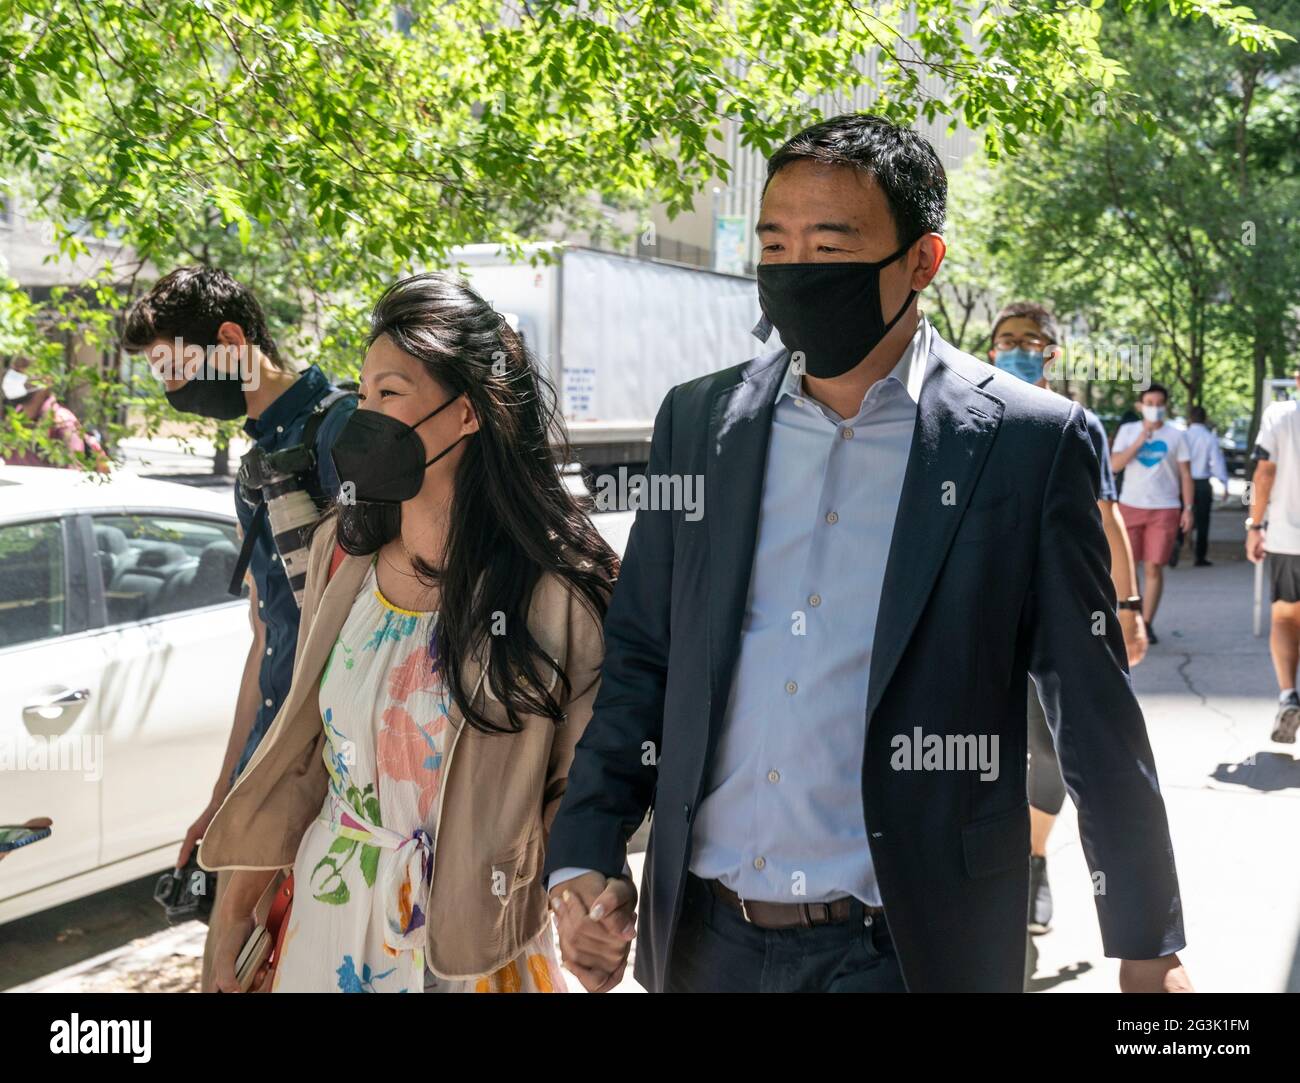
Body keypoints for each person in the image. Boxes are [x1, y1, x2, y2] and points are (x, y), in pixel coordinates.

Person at [542, 113, 1189, 993]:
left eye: (831, 245)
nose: (796, 268)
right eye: (776, 242)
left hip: (907, 951)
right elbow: (643, 655)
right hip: (705, 943)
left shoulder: (1025, 444)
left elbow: (1091, 703)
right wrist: (586, 850)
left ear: (922, 261)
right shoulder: (696, 424)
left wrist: (1147, 948)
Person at [199, 273, 617, 992]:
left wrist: (586, 907)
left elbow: (578, 797)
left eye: (390, 395)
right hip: (328, 931)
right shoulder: (343, 552)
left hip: (473, 948)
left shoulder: (556, 593)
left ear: (469, 413)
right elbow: (306, 761)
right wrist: (234, 917)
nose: (366, 418)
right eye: (362, 395)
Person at [121, 267, 357, 991]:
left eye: (173, 368)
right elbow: (265, 637)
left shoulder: (342, 430)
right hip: (274, 752)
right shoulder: (256, 461)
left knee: (239, 964)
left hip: (333, 763)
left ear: (229, 341)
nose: (170, 394)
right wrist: (223, 792)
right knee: (233, 965)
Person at [985, 301, 1148, 935]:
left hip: (1058, 615)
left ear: (1051, 353)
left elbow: (1109, 520)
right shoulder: (965, 411)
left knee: (1049, 749)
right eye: (1007, 338)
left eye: (1031, 340)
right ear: (990, 347)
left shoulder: (1078, 424)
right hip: (976, 610)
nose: (1018, 347)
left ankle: (1031, 861)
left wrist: (1129, 609)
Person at [1110, 384, 1194, 645]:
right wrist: (1140, 439)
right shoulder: (1128, 431)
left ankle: (1147, 624)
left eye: (1159, 403)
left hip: (1165, 507)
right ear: (1140, 405)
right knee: (1128, 567)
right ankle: (1131, 619)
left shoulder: (1177, 435)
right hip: (1130, 506)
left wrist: (1188, 508)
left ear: (1166, 406)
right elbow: (1114, 466)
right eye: (1149, 402)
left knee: (1154, 567)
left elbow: (1185, 474)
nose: (1154, 408)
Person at [1246, 367, 1300, 744]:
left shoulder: (1280, 415)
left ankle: (1287, 696)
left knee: (1285, 615)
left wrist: (1255, 524)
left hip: (1288, 537)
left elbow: (1264, 472)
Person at [0, 364, 108, 471]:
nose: (13, 377)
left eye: (21, 371)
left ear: (46, 380)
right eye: (14, 370)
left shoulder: (63, 424)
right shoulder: (11, 421)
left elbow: (73, 477)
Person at [1183, 406, 1229, 567]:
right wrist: (1224, 483)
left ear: (1190, 418)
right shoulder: (1209, 437)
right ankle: (1200, 556)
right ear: (1205, 418)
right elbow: (1217, 462)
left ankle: (1177, 540)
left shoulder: (1183, 436)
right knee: (1203, 522)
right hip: (1202, 483)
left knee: (1181, 515)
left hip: (1183, 482)